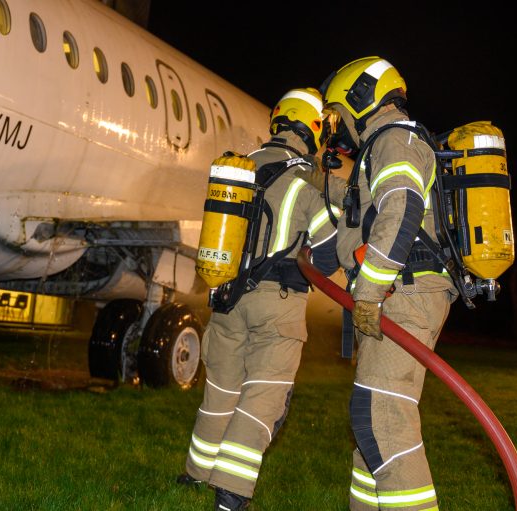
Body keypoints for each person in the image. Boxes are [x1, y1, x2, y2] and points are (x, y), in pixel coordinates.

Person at [177, 87, 341, 510]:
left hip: (228, 298)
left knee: (221, 391)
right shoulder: (307, 181)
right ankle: (231, 493)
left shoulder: (241, 168)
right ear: (313, 131)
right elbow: (325, 256)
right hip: (277, 305)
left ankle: (195, 474)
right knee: (264, 397)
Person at [317, 57, 458, 510]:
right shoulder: (387, 144)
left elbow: (400, 209)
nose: (337, 129)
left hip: (405, 294)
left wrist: (370, 291)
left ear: (361, 98)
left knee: (382, 418)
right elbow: (366, 206)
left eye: (339, 113)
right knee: (370, 427)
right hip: (403, 293)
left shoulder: (395, 139)